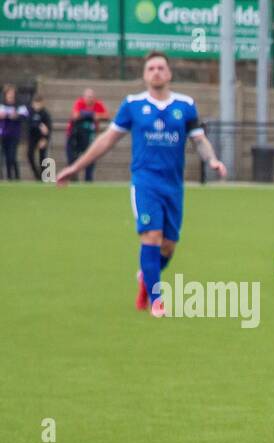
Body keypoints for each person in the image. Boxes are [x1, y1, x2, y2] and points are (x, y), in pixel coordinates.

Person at [56, 51, 227, 316]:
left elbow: (199, 140)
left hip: (174, 186)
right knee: (151, 236)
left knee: (168, 245)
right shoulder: (132, 105)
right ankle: (157, 300)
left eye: (161, 68)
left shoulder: (186, 105)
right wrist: (75, 167)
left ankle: (145, 280)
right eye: (151, 68)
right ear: (145, 75)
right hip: (145, 182)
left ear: (169, 73)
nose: (156, 72)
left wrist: (213, 160)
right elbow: (107, 139)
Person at [65, 88, 108, 182]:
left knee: (90, 158)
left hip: (89, 136)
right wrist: (92, 114)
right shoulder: (79, 103)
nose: (90, 99)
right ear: (84, 97)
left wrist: (88, 114)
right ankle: (73, 179)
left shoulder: (98, 104)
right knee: (72, 159)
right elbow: (75, 115)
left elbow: (105, 116)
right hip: (74, 136)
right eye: (88, 97)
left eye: (92, 97)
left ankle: (88, 180)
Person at [0, 86, 26, 180]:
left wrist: (16, 116)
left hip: (14, 134)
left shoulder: (19, 105)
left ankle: (15, 177)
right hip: (3, 134)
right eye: (9, 93)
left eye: (12, 93)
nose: (11, 95)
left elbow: (25, 116)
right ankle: (6, 177)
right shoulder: (2, 105)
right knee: (3, 157)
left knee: (12, 157)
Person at [26, 94, 52, 180]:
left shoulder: (45, 114)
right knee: (30, 155)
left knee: (42, 158)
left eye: (39, 104)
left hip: (41, 138)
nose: (37, 106)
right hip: (32, 137)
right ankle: (37, 174)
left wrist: (45, 139)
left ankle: (43, 177)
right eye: (35, 103)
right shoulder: (30, 112)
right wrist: (39, 125)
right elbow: (29, 125)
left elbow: (48, 128)